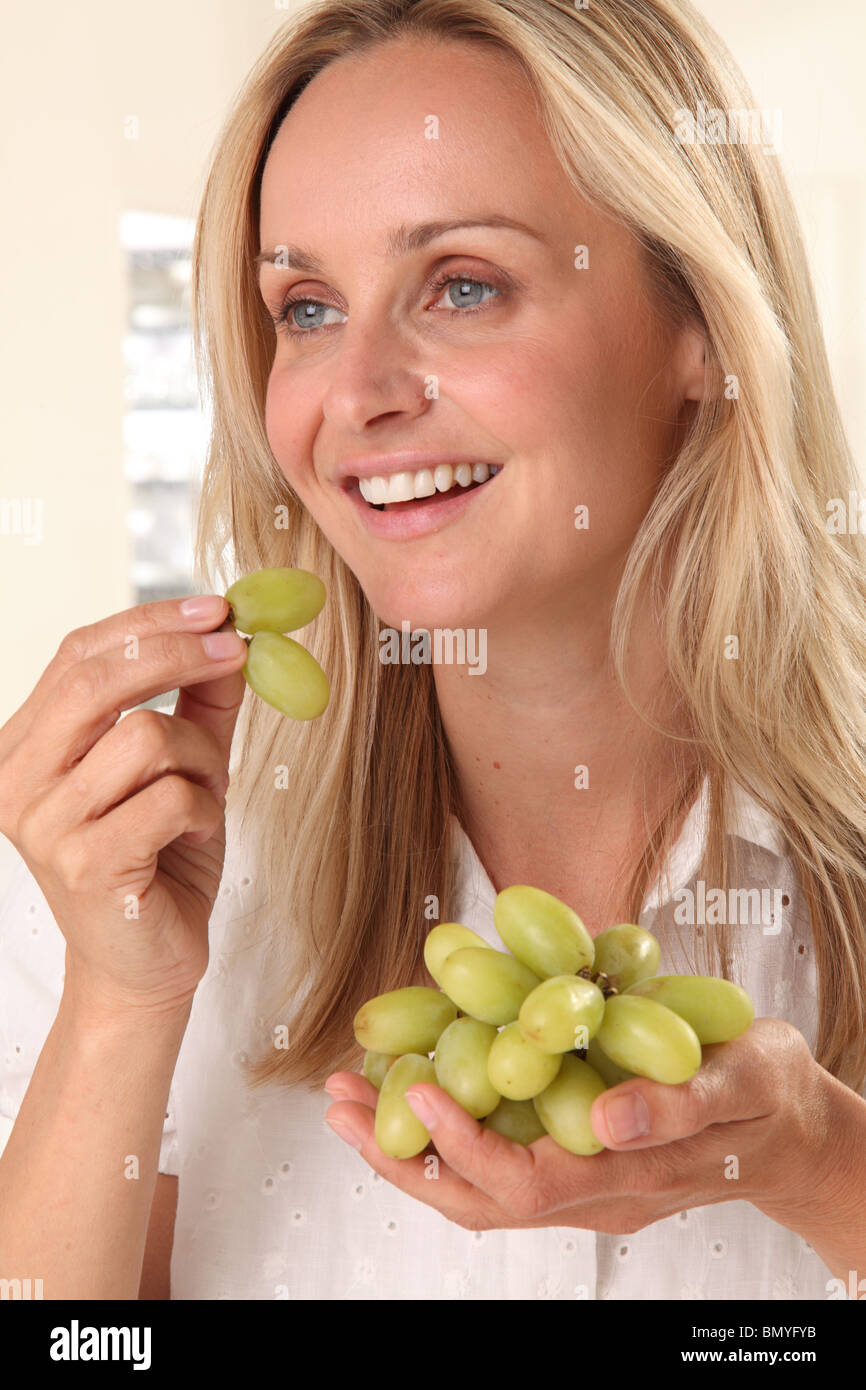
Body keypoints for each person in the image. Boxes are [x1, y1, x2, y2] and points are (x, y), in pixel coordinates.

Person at [1, 0, 865, 1301]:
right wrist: (121, 1008)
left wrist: (821, 1168)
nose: (353, 395)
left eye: (462, 286)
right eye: (304, 307)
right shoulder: (139, 866)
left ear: (698, 331)